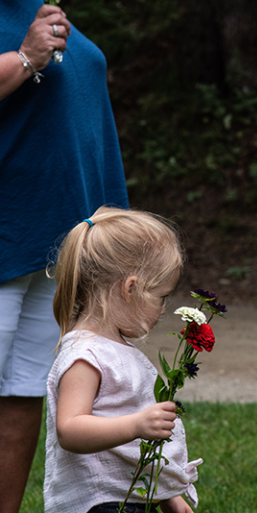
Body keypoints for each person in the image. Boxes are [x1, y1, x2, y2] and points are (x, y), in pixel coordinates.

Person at [0, 3, 129, 512]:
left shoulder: (38, 7)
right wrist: (24, 59)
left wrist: (110, 223)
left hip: (54, 244)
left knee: (22, 393)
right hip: (6, 234)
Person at [44, 207, 199, 513]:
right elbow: (70, 430)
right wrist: (137, 424)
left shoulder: (114, 349)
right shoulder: (85, 355)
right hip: (99, 502)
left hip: (124, 498)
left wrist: (166, 494)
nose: (163, 309)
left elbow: (126, 449)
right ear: (131, 288)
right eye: (161, 296)